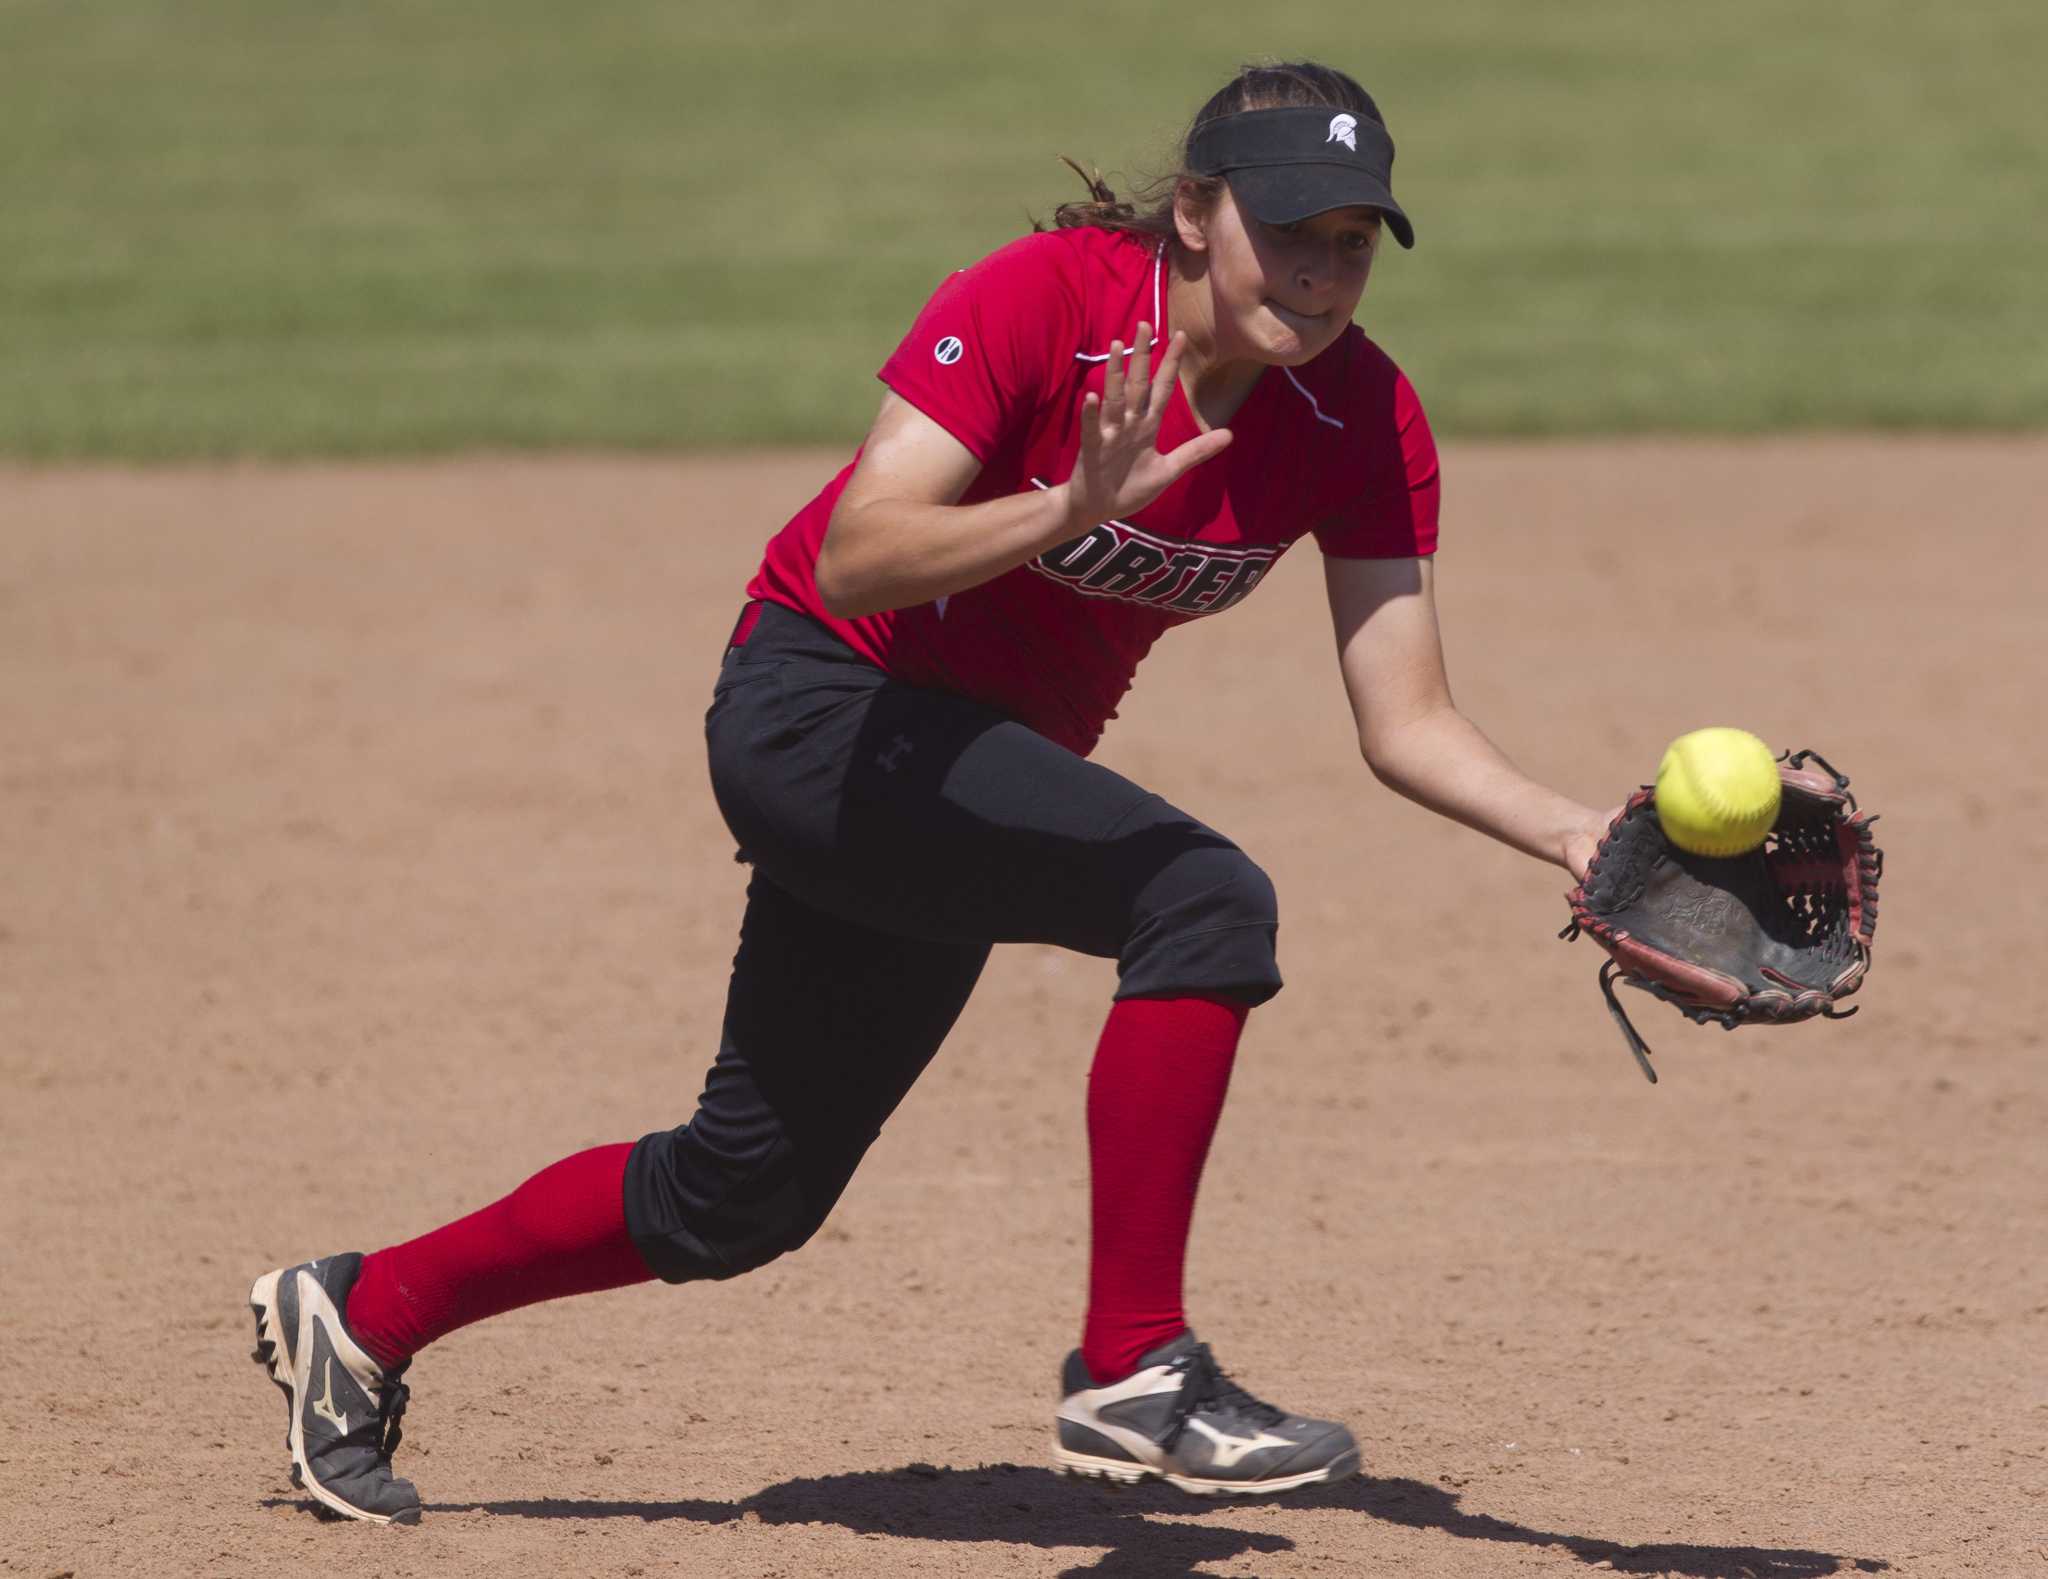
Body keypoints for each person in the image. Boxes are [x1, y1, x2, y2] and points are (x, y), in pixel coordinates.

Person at [246, 60, 1612, 1525]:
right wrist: (1069, 508)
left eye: (1354, 238)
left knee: (741, 1193)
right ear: (1199, 212)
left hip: (964, 776)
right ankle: (1135, 1365)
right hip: (821, 711)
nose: (1325, 269)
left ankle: (362, 1311)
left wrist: (1583, 834)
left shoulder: (1360, 416)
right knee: (1203, 899)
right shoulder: (1050, 301)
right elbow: (858, 552)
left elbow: (1405, 719)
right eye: (1292, 227)